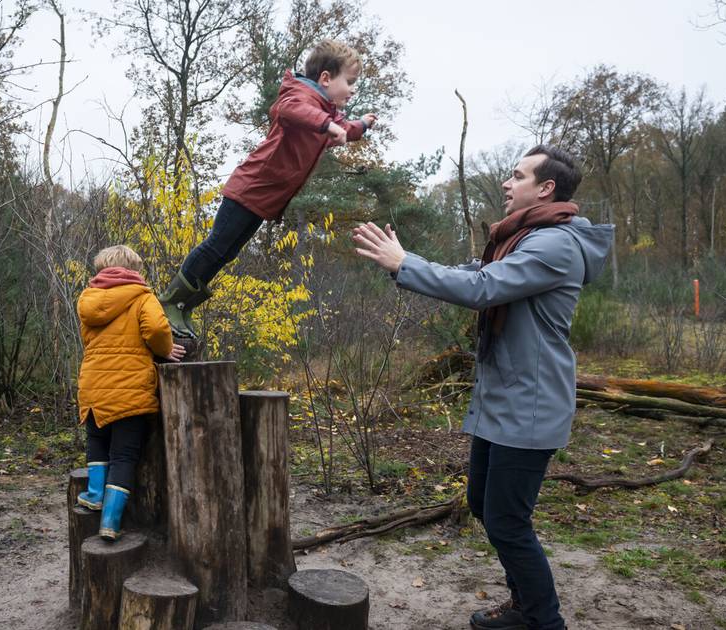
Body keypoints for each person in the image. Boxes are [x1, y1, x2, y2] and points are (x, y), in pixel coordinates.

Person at [351, 145, 613, 630]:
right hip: (505, 401)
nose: (507, 184)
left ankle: (542, 620)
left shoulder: (554, 245)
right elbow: (477, 274)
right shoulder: (524, 239)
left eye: (518, 176)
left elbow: (482, 289)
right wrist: (404, 262)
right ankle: (525, 606)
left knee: (508, 521)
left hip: (531, 406)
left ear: (546, 188)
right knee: (484, 505)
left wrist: (404, 263)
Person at [157, 39, 378, 350]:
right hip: (250, 186)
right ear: (326, 78)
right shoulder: (301, 96)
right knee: (216, 245)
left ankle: (184, 306)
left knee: (227, 252)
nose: (353, 90)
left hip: (263, 199)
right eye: (350, 82)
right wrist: (327, 125)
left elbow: (345, 129)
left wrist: (362, 124)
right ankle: (170, 302)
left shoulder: (325, 112)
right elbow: (289, 110)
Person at [75, 245, 185, 541]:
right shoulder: (142, 296)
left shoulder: (87, 298)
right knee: (123, 456)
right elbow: (157, 330)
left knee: (96, 441)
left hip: (93, 386)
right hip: (129, 388)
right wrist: (165, 349)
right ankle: (110, 521)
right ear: (132, 268)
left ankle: (94, 495)